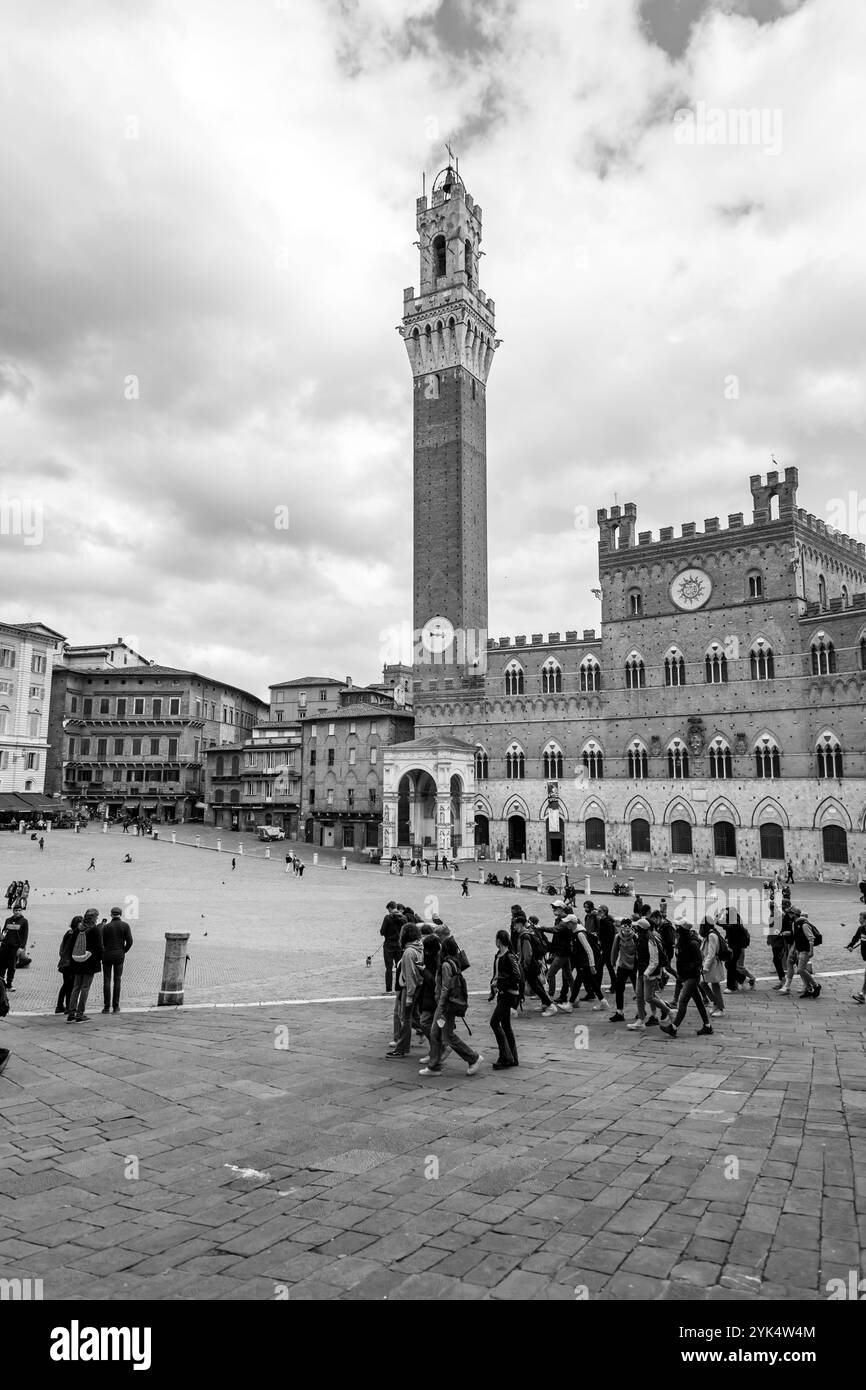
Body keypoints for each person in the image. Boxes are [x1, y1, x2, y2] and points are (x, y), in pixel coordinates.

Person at [420, 936, 482, 1077]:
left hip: (445, 1006)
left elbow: (445, 988)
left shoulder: (446, 965)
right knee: (436, 1034)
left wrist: (440, 1006)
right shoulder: (453, 963)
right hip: (446, 1005)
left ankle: (473, 1058)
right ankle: (434, 1066)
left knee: (447, 1037)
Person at [661, 924, 713, 1038]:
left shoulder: (693, 944)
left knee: (683, 1000)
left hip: (692, 977)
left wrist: (685, 969)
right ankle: (707, 1026)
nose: (676, 934)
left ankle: (673, 1027)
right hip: (686, 976)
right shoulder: (682, 943)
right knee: (699, 1002)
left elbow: (698, 961)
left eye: (678, 932)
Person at [387, 922, 423, 1057]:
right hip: (417, 987)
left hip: (409, 989)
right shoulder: (419, 947)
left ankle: (401, 1048)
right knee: (413, 1018)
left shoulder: (408, 952)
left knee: (405, 1019)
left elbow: (409, 975)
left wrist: (409, 995)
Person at [488, 929, 521, 1069]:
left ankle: (505, 1056)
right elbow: (496, 975)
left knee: (494, 1022)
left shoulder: (509, 956)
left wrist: (499, 983)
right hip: (502, 993)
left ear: (499, 940)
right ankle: (512, 1057)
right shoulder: (499, 955)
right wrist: (493, 989)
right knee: (506, 1025)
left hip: (509, 994)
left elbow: (517, 976)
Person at [516, 914, 558, 1015]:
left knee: (535, 986)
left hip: (529, 965)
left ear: (520, 925)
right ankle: (545, 1003)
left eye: (516, 925)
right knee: (537, 985)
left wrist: (525, 966)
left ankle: (550, 1006)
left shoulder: (525, 936)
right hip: (533, 964)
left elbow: (528, 953)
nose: (514, 927)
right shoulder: (528, 933)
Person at [66, 910, 104, 1022]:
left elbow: (71, 945)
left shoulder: (78, 929)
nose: (97, 919)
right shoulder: (95, 930)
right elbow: (99, 947)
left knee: (76, 987)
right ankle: (80, 1013)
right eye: (96, 917)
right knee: (85, 988)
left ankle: (71, 1012)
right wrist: (100, 959)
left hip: (77, 962)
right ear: (93, 918)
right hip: (89, 963)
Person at [101, 906, 134, 1013]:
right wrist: (124, 950)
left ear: (111, 914)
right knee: (117, 979)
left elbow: (101, 943)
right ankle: (116, 1006)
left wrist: (104, 952)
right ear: (121, 914)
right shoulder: (125, 926)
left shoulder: (105, 927)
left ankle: (106, 1007)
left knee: (106, 980)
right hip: (119, 955)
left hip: (107, 955)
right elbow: (130, 941)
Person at [546, 900, 574, 1010]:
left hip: (563, 952)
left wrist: (540, 927)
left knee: (550, 974)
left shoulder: (565, 921)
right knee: (569, 976)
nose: (554, 909)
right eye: (553, 908)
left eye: (556, 908)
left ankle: (550, 998)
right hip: (563, 951)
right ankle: (574, 998)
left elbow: (555, 931)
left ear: (562, 909)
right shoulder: (559, 919)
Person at [609, 917, 637, 1023]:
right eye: (624, 926)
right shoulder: (618, 937)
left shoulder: (635, 937)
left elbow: (639, 953)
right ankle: (619, 1012)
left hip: (634, 967)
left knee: (638, 990)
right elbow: (614, 951)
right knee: (619, 989)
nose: (626, 928)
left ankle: (640, 1012)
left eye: (628, 926)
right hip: (622, 966)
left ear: (631, 927)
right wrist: (613, 963)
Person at [721, 908, 755, 991]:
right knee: (731, 966)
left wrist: (720, 914)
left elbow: (720, 923)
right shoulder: (734, 923)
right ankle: (738, 982)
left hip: (737, 949)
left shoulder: (735, 924)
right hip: (735, 948)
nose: (725, 916)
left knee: (737, 967)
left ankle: (749, 979)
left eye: (726, 914)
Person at [699, 918, 726, 1016]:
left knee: (713, 986)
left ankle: (720, 1008)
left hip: (712, 965)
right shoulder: (711, 934)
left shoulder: (711, 935)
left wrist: (705, 967)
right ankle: (716, 1004)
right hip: (711, 964)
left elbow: (711, 953)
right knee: (705, 984)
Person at [790, 913, 821, 998]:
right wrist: (794, 950)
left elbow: (811, 938)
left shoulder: (804, 925)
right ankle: (809, 988)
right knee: (802, 970)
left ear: (794, 915)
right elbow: (796, 938)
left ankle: (815, 985)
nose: (789, 915)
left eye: (790, 914)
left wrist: (811, 951)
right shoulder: (794, 924)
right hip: (799, 950)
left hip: (805, 950)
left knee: (800, 969)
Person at [56, 916, 80, 1014]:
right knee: (70, 985)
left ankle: (60, 1006)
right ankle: (68, 1007)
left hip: (65, 962)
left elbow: (62, 948)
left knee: (66, 985)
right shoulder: (74, 934)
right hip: (69, 963)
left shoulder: (68, 933)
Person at [0, 909, 28, 991]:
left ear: (21, 911)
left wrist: (21, 948)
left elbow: (25, 936)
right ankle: (2, 985)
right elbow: (4, 931)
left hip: (14, 948)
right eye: (16, 910)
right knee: (1, 966)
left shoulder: (24, 921)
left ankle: (9, 985)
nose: (17, 912)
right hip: (4, 946)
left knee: (11, 967)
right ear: (13, 911)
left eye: (19, 910)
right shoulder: (8, 920)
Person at [379, 901, 403, 993]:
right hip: (399, 945)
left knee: (389, 968)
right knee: (399, 967)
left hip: (388, 945)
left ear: (389, 908)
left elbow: (382, 932)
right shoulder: (403, 917)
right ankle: (399, 988)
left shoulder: (387, 918)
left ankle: (388, 989)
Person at [845, 912, 866, 1003]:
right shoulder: (861, 928)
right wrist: (850, 946)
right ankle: (862, 994)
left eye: (860, 918)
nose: (859, 920)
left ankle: (862, 994)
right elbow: (856, 938)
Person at [595, 904, 616, 993]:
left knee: (599, 966)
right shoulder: (603, 920)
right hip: (606, 947)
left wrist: (603, 943)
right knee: (609, 967)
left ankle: (597, 987)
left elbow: (610, 936)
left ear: (604, 912)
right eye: (598, 911)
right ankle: (614, 987)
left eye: (600, 911)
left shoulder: (606, 922)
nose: (598, 913)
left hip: (608, 948)